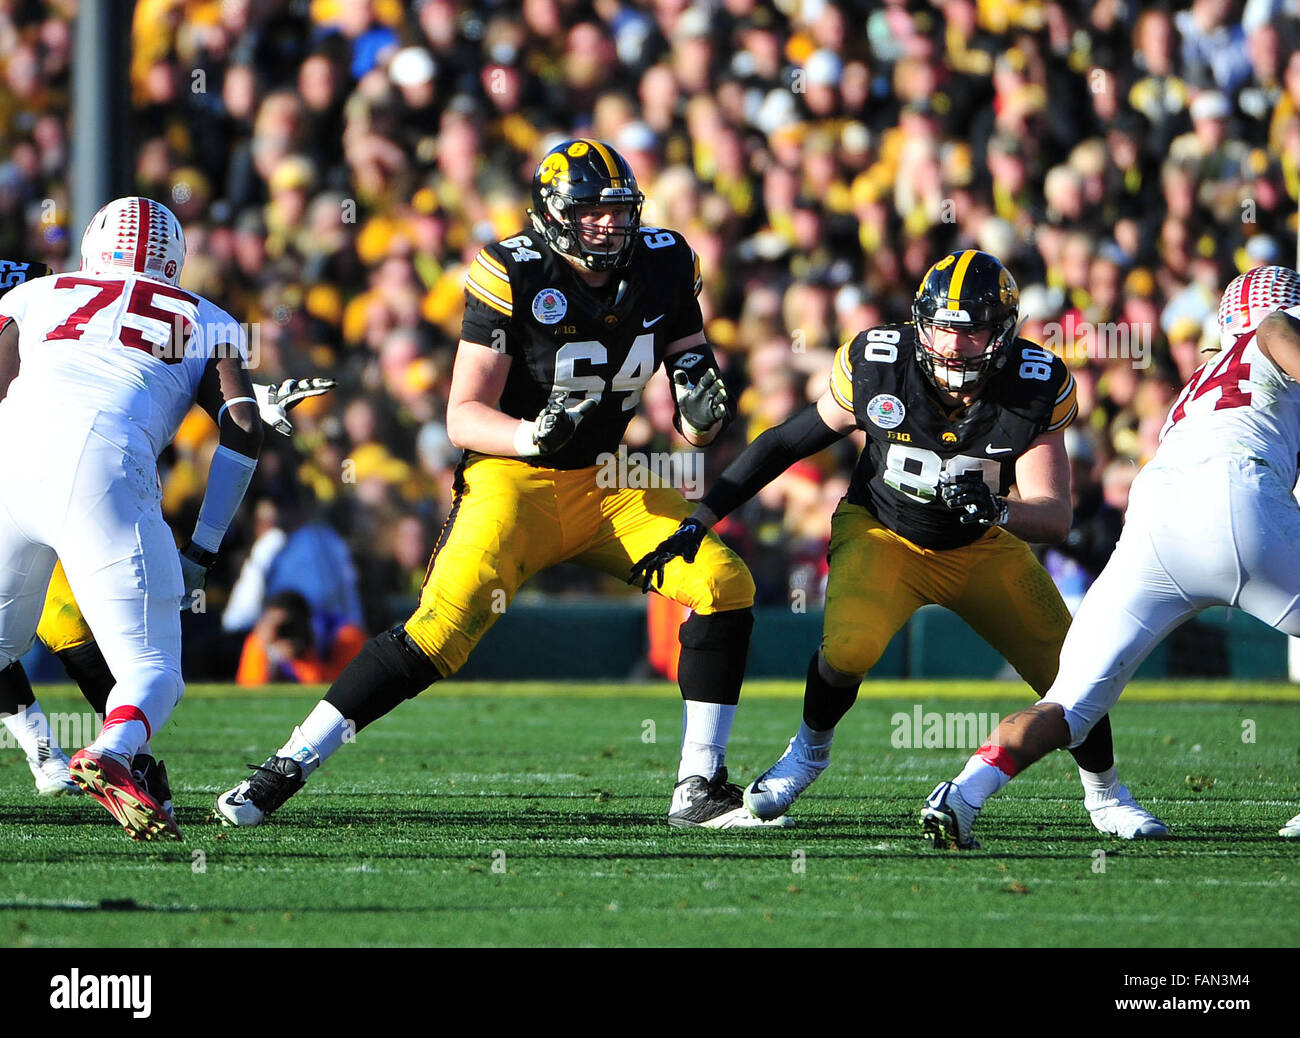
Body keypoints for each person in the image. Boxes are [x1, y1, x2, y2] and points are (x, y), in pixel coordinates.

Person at [215, 139, 779, 830]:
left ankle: (699, 785)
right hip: (516, 477)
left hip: (612, 478)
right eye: (592, 213)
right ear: (551, 214)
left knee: (725, 585)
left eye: (618, 211)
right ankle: (285, 767)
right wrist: (530, 435)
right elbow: (461, 415)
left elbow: (692, 383)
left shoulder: (665, 262)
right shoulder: (514, 270)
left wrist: (699, 410)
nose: (610, 225)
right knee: (438, 635)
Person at [631, 250, 1166, 839]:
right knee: (851, 647)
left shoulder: (1032, 383)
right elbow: (787, 442)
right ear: (921, 321)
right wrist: (705, 514)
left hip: (979, 545)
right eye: (943, 327)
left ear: (1003, 331)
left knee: (1070, 669)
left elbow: (1054, 515)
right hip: (882, 531)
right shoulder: (880, 362)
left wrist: (999, 509)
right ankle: (807, 753)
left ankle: (1106, 794)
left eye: (973, 330)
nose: (954, 344)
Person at [920, 264, 1300, 848]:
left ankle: (964, 793)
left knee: (1069, 702)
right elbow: (1279, 336)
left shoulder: (1204, 375)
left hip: (1157, 516)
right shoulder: (1277, 328)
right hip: (1237, 499)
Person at [0, 197, 264, 840]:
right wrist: (202, 551)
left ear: (93, 245)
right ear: (174, 259)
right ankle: (113, 752)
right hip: (107, 470)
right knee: (153, 672)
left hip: (11, 462)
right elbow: (243, 428)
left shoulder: (35, 293)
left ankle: (72, 755)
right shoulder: (209, 318)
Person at [0, 376, 334, 805]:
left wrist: (251, 396)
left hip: (67, 473)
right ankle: (74, 758)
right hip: (49, 473)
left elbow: (131, 370)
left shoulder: (53, 316)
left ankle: (110, 758)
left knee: (69, 625)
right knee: (74, 635)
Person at [235, 590, 367, 685]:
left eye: (290, 626)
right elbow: (249, 689)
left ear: (308, 622)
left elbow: (346, 691)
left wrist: (302, 658)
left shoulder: (345, 635)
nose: (285, 632)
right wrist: (264, 649)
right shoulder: (261, 637)